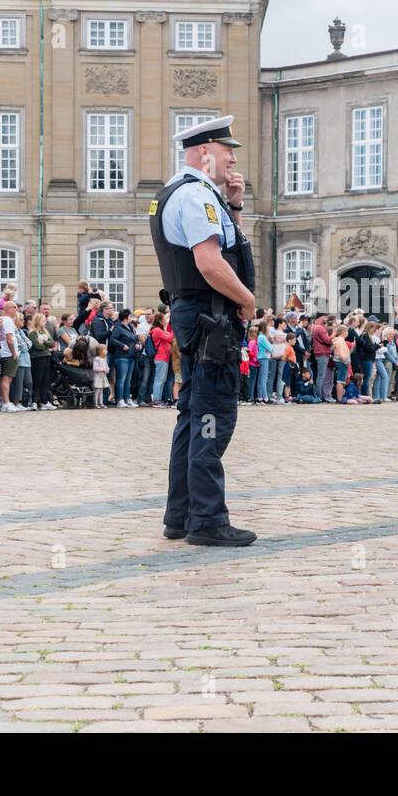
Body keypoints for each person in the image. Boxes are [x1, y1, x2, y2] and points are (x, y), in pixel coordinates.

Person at [150, 114, 257, 546]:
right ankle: (208, 519)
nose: (232, 158)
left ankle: (181, 514)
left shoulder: (178, 193)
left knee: (194, 416)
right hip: (212, 318)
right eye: (227, 150)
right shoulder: (196, 196)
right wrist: (248, 301)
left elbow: (227, 248)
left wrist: (235, 205)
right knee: (213, 416)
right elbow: (210, 262)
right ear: (205, 153)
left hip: (195, 315)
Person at [92, 343, 109, 408]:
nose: (106, 351)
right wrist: (103, 369)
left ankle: (101, 403)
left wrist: (107, 369)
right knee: (97, 390)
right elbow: (95, 368)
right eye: (105, 350)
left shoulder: (104, 359)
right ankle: (95, 403)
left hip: (103, 377)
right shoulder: (97, 359)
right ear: (101, 351)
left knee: (101, 390)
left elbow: (106, 366)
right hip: (98, 377)